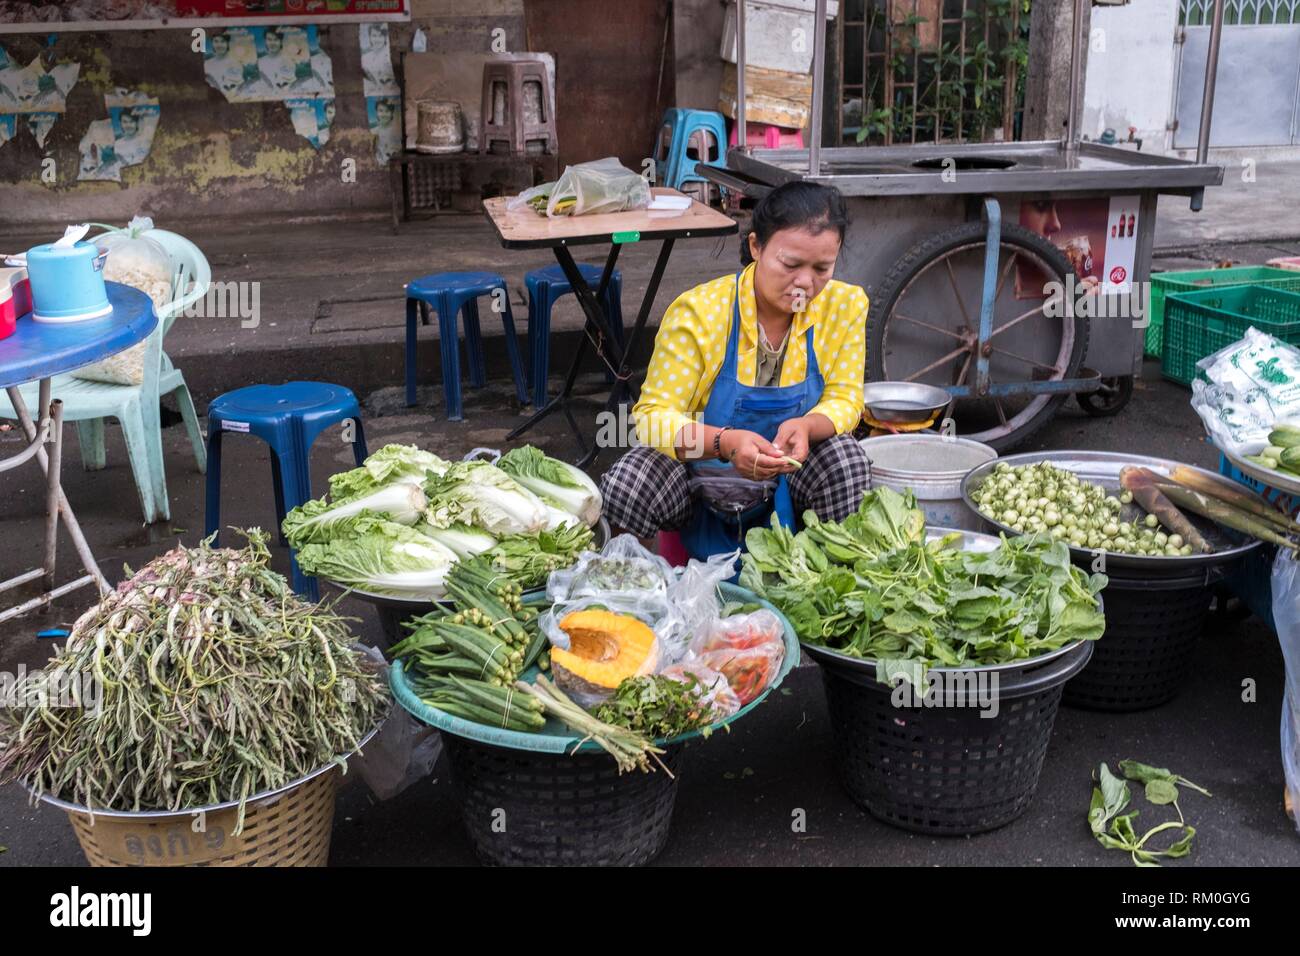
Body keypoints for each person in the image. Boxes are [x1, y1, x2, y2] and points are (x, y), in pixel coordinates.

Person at [600, 181, 872, 558]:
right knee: (631, 483)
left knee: (846, 460)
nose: (806, 283)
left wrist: (809, 426)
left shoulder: (844, 306)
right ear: (756, 246)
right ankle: (625, 584)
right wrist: (725, 444)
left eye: (822, 268)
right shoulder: (700, 313)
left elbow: (846, 399)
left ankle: (833, 587)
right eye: (790, 264)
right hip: (699, 485)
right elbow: (651, 419)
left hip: (789, 484)